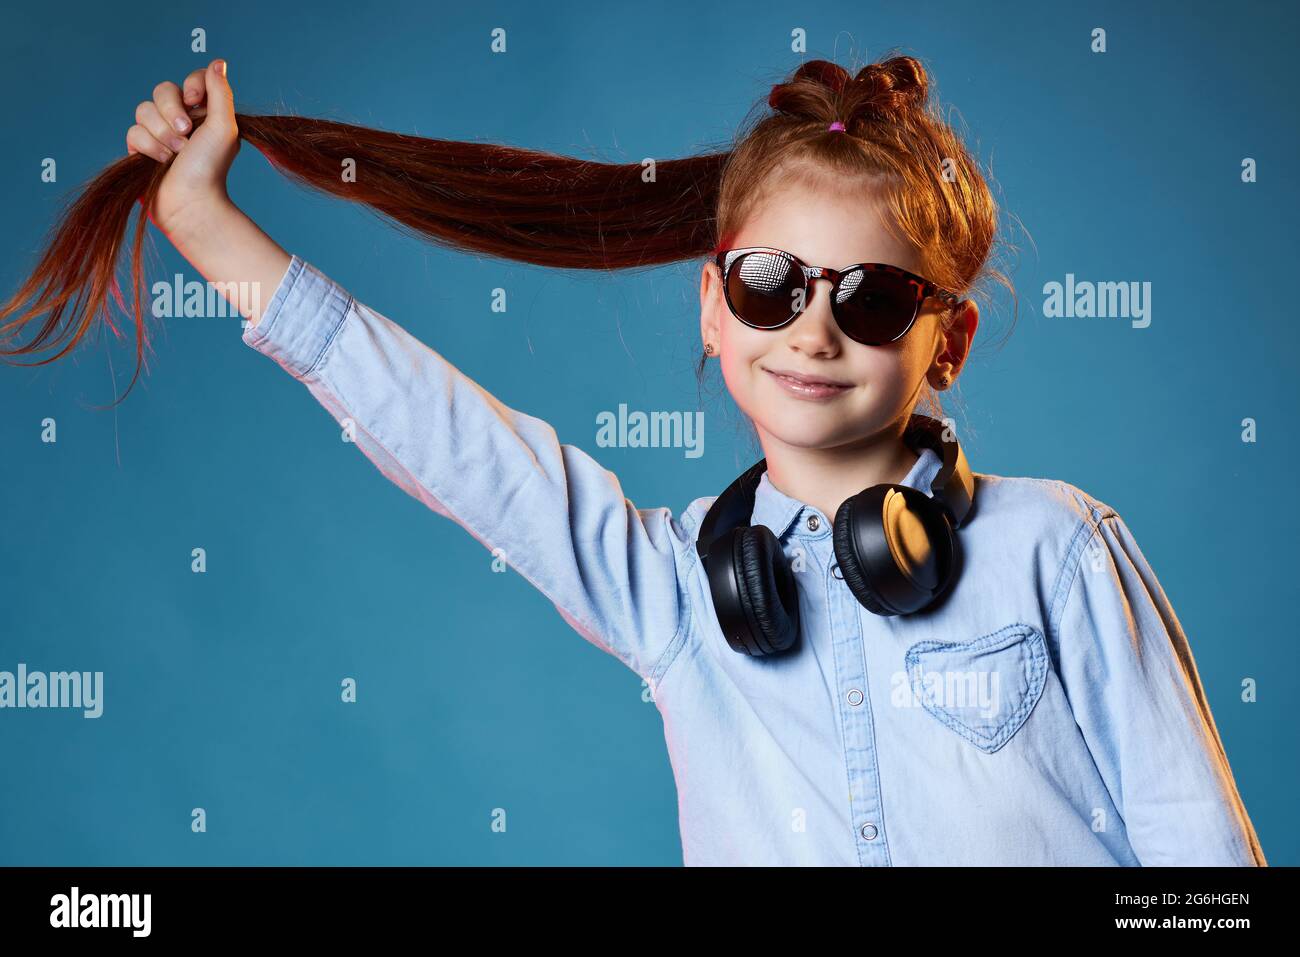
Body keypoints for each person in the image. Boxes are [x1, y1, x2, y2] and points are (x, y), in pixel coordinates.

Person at [0, 54, 1266, 866]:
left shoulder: (1056, 546)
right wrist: (205, 227)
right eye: (771, 286)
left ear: (949, 338)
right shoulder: (668, 594)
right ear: (712, 309)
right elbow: (442, 434)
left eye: (874, 297)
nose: (814, 331)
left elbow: (1203, 872)